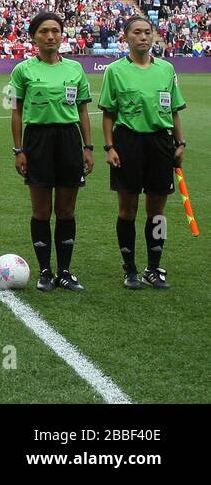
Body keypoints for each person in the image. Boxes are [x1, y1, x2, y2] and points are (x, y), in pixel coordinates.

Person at [99, 15, 186, 290]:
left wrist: (180, 142)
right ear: (126, 37)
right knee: (128, 210)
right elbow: (108, 114)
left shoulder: (166, 69)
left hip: (161, 143)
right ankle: (130, 268)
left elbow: (173, 110)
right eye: (137, 33)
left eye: (147, 32)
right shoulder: (115, 70)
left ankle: (153, 266)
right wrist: (110, 146)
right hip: (128, 143)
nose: (143, 37)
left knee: (157, 211)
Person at [10, 12, 93, 292]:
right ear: (34, 37)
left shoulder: (75, 69)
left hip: (69, 139)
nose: (50, 36)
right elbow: (16, 111)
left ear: (61, 35)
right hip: (37, 141)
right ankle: (45, 271)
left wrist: (88, 147)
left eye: (55, 31)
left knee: (67, 210)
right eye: (44, 31)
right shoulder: (23, 70)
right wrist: (19, 149)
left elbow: (83, 110)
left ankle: (65, 271)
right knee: (42, 210)